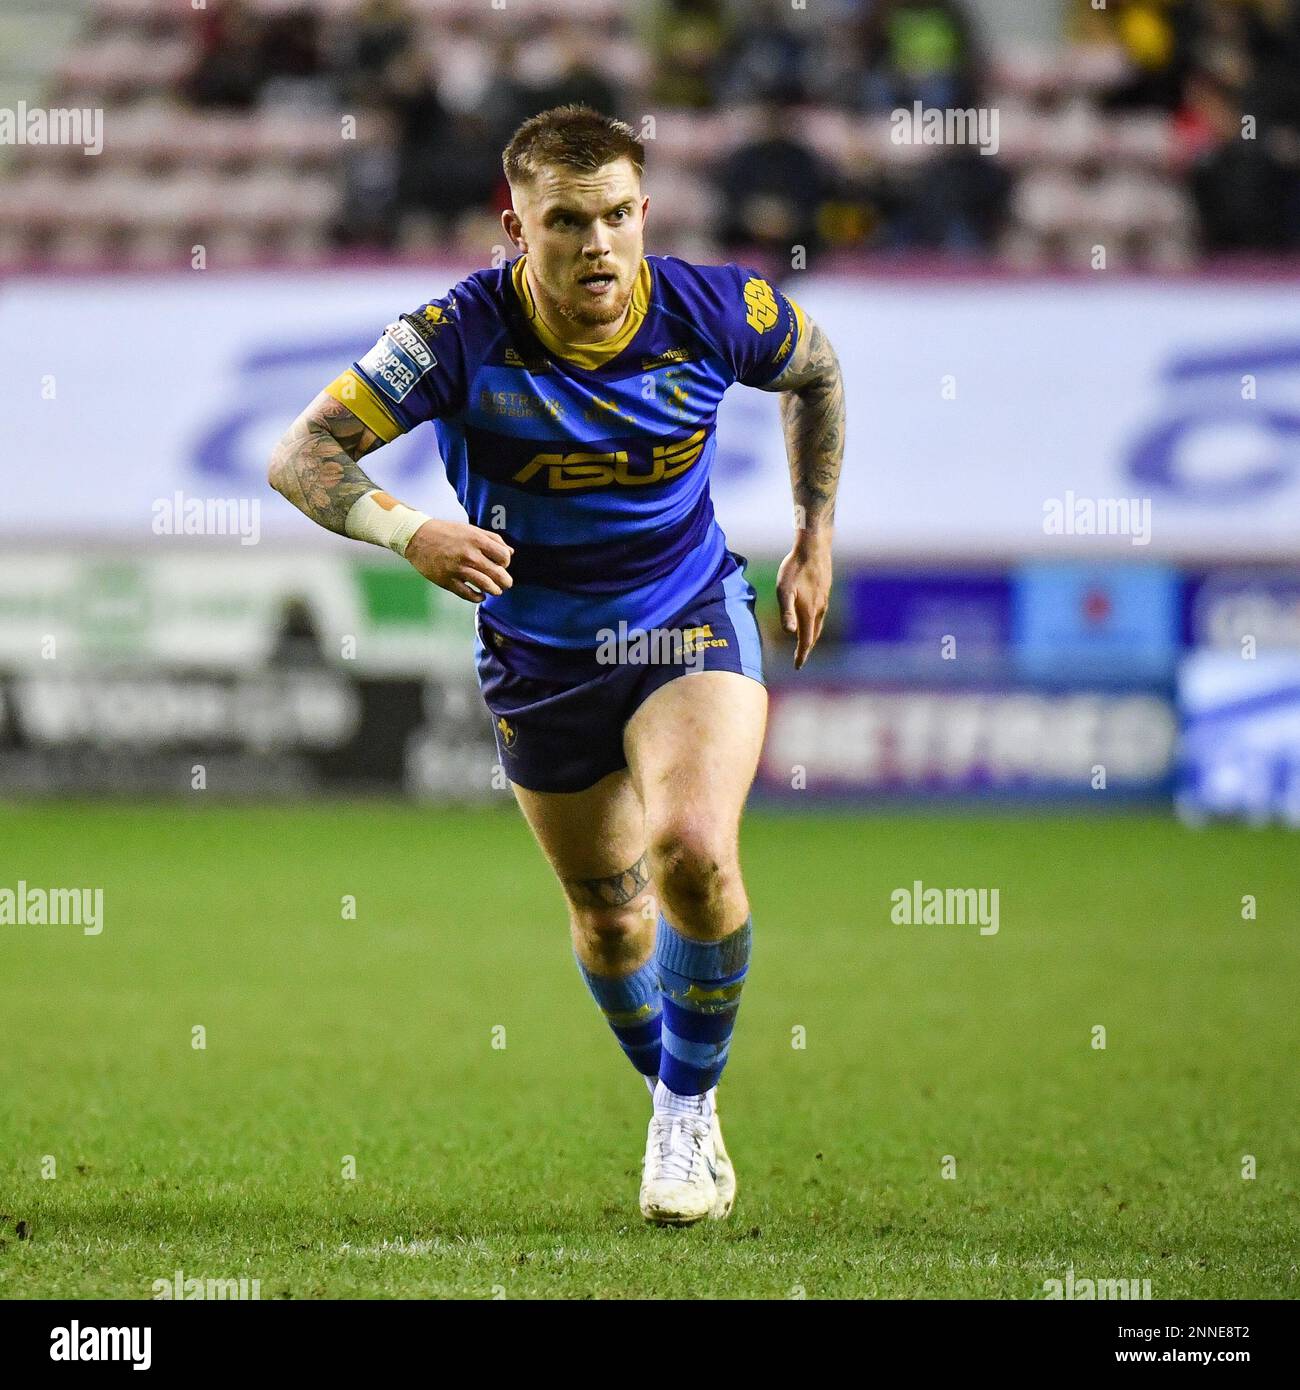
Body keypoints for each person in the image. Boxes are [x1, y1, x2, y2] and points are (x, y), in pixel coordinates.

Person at [268, 105, 844, 1225]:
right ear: (514, 225)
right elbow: (303, 452)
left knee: (691, 854)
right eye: (567, 220)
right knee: (611, 915)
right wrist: (408, 529)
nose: (598, 244)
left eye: (620, 214)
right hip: (540, 653)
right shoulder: (452, 335)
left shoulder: (715, 308)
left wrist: (814, 536)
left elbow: (816, 374)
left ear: (645, 212)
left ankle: (682, 1111)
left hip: (687, 618)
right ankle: (676, 1095)